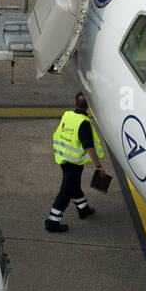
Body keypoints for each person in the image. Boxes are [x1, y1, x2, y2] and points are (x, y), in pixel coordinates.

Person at [47, 92, 106, 233]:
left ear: (75, 103)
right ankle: (52, 222)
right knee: (66, 191)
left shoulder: (68, 115)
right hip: (73, 163)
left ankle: (83, 209)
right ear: (88, 107)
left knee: (74, 185)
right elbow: (89, 148)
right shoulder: (84, 123)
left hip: (63, 158)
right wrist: (99, 166)